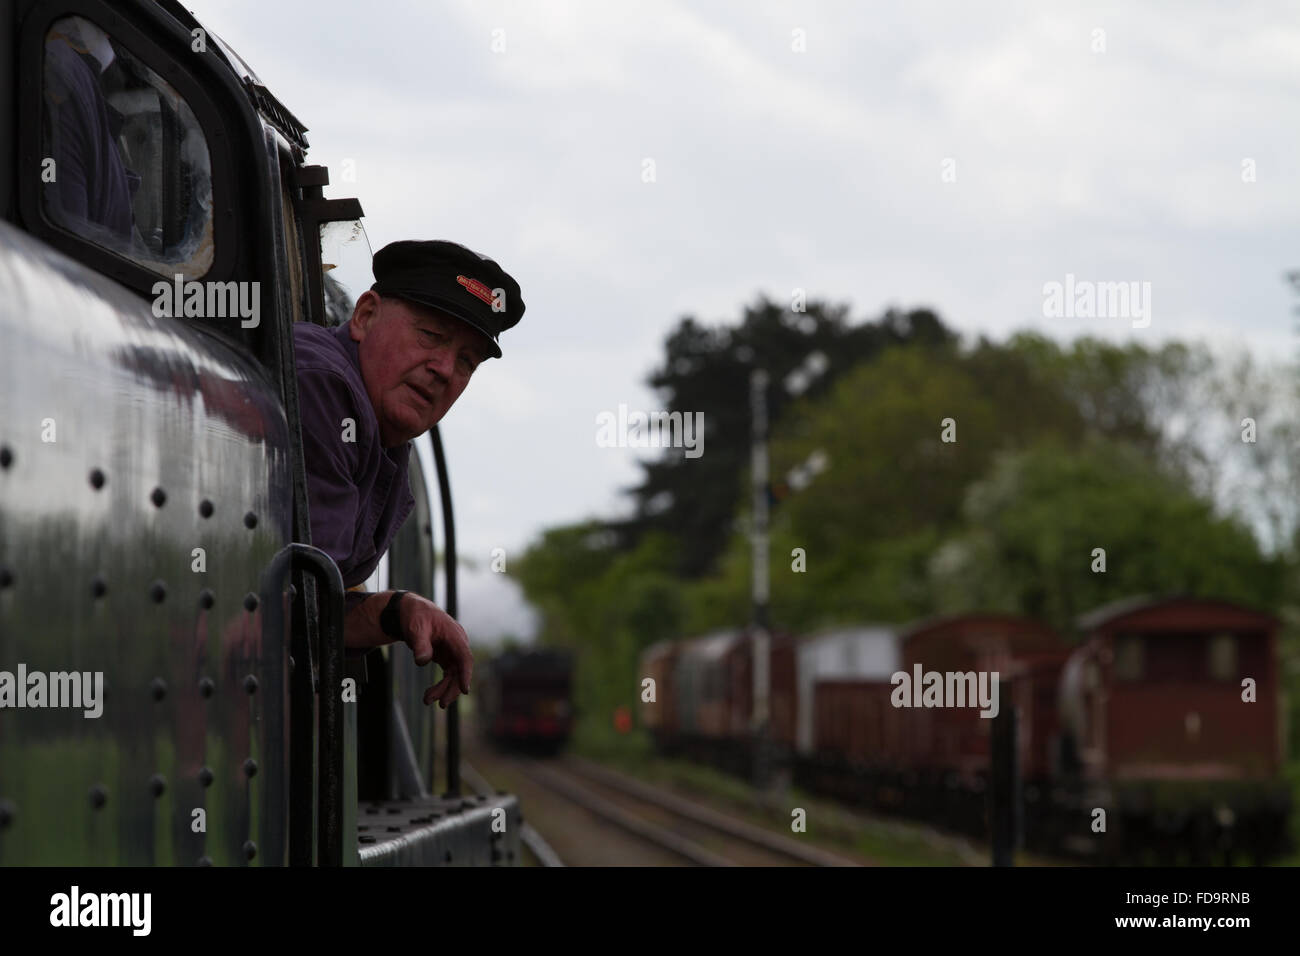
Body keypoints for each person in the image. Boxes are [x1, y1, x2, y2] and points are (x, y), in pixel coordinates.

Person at [293, 240, 524, 708]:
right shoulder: (324, 386)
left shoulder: (385, 435)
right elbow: (305, 611)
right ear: (364, 316)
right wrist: (392, 609)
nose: (444, 370)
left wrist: (400, 610)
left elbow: (315, 611)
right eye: (431, 336)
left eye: (466, 361)